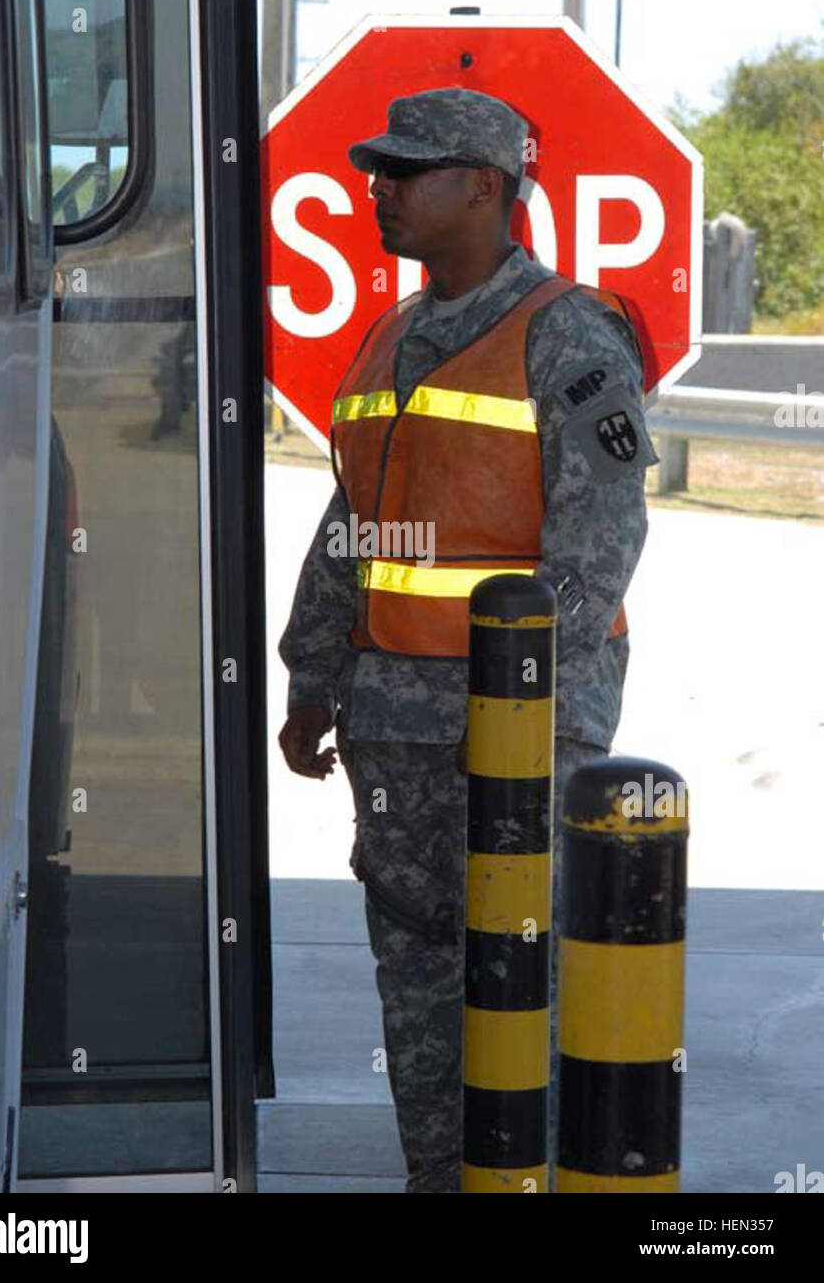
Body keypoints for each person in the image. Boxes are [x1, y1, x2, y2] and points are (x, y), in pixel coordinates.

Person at [278, 86, 659, 1193]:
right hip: (391, 728)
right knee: (415, 974)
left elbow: (595, 547)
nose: (377, 189)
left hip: (514, 735)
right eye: (377, 170)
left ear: (484, 188)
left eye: (405, 171)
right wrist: (314, 672)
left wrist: (519, 715)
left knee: (517, 972)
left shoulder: (565, 335)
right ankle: (441, 1180)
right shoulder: (390, 337)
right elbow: (353, 517)